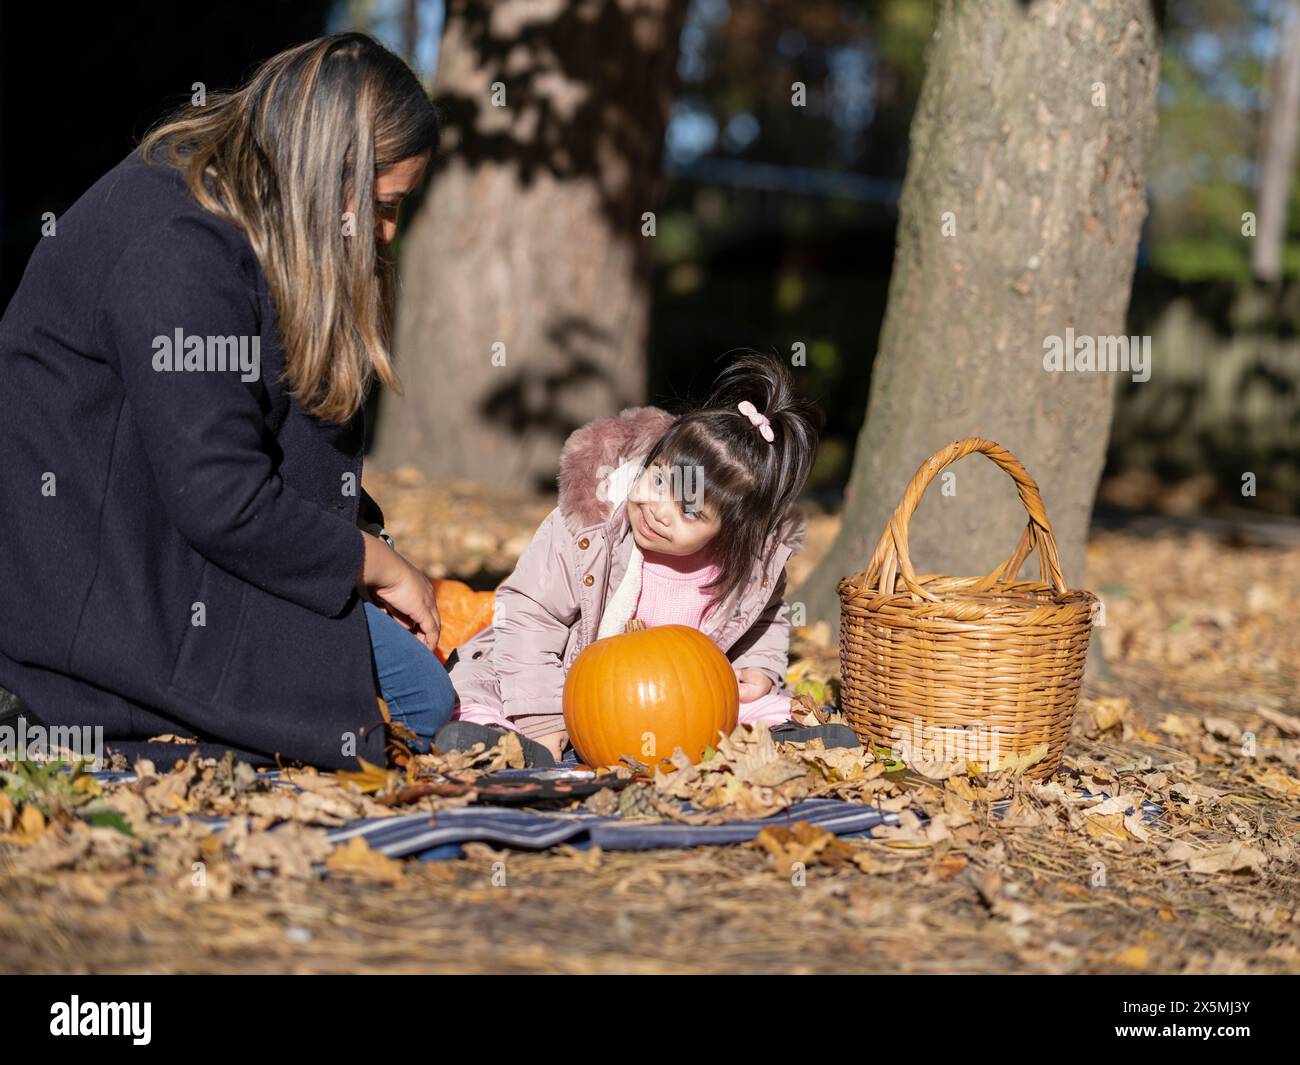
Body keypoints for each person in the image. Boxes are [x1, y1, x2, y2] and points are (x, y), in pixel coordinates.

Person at [0, 33, 454, 769]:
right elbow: (219, 494)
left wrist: (353, 550)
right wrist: (372, 562)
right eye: (382, 205)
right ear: (326, 171)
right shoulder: (179, 248)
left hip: (152, 547)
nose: (385, 233)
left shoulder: (216, 208)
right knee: (419, 707)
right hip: (106, 597)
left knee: (414, 691)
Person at [442, 353, 860, 766]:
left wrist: (759, 668)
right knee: (483, 688)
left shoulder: (749, 567)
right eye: (659, 480)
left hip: (676, 699)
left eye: (690, 510)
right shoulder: (590, 529)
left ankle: (783, 737)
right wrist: (542, 717)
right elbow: (529, 614)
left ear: (731, 532)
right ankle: (501, 743)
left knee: (747, 704)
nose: (659, 509)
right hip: (557, 673)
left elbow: (767, 617)